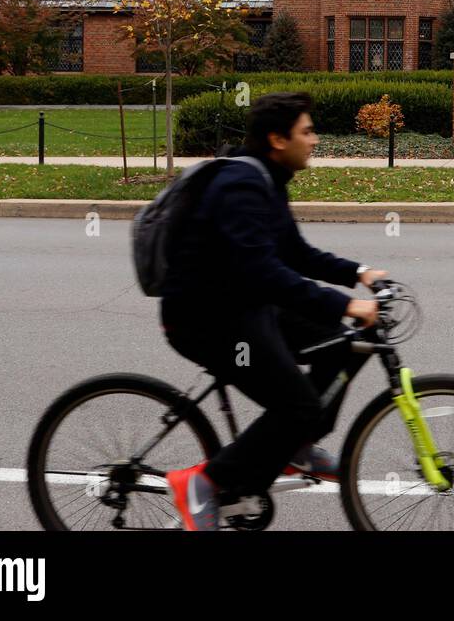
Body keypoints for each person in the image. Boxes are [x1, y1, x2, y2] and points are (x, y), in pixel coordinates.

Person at [159, 91, 386, 531]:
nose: (315, 140)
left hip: (241, 303)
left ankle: (295, 447)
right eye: (308, 131)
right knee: (298, 406)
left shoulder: (267, 178)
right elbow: (263, 272)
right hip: (204, 318)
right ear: (278, 139)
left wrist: (360, 273)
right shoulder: (241, 186)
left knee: (340, 343)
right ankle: (202, 484)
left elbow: (295, 253)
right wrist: (347, 302)